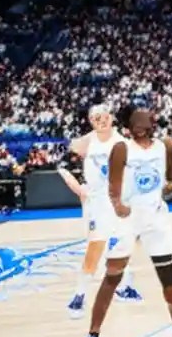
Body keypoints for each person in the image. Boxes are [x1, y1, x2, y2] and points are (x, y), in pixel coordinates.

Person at [77, 108, 172, 337]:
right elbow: (113, 187)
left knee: (168, 278)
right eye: (133, 121)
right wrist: (117, 205)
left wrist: (171, 188)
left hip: (155, 218)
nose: (138, 124)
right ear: (128, 125)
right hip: (127, 219)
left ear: (151, 122)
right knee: (112, 277)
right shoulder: (122, 149)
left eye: (142, 120)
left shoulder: (166, 145)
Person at [58, 104, 142, 319]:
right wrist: (77, 187)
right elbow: (61, 162)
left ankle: (123, 288)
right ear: (91, 121)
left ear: (111, 117)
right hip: (96, 203)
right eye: (96, 118)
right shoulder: (86, 142)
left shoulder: (123, 143)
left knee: (122, 247)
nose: (101, 121)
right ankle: (79, 295)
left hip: (118, 200)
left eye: (103, 117)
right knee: (96, 248)